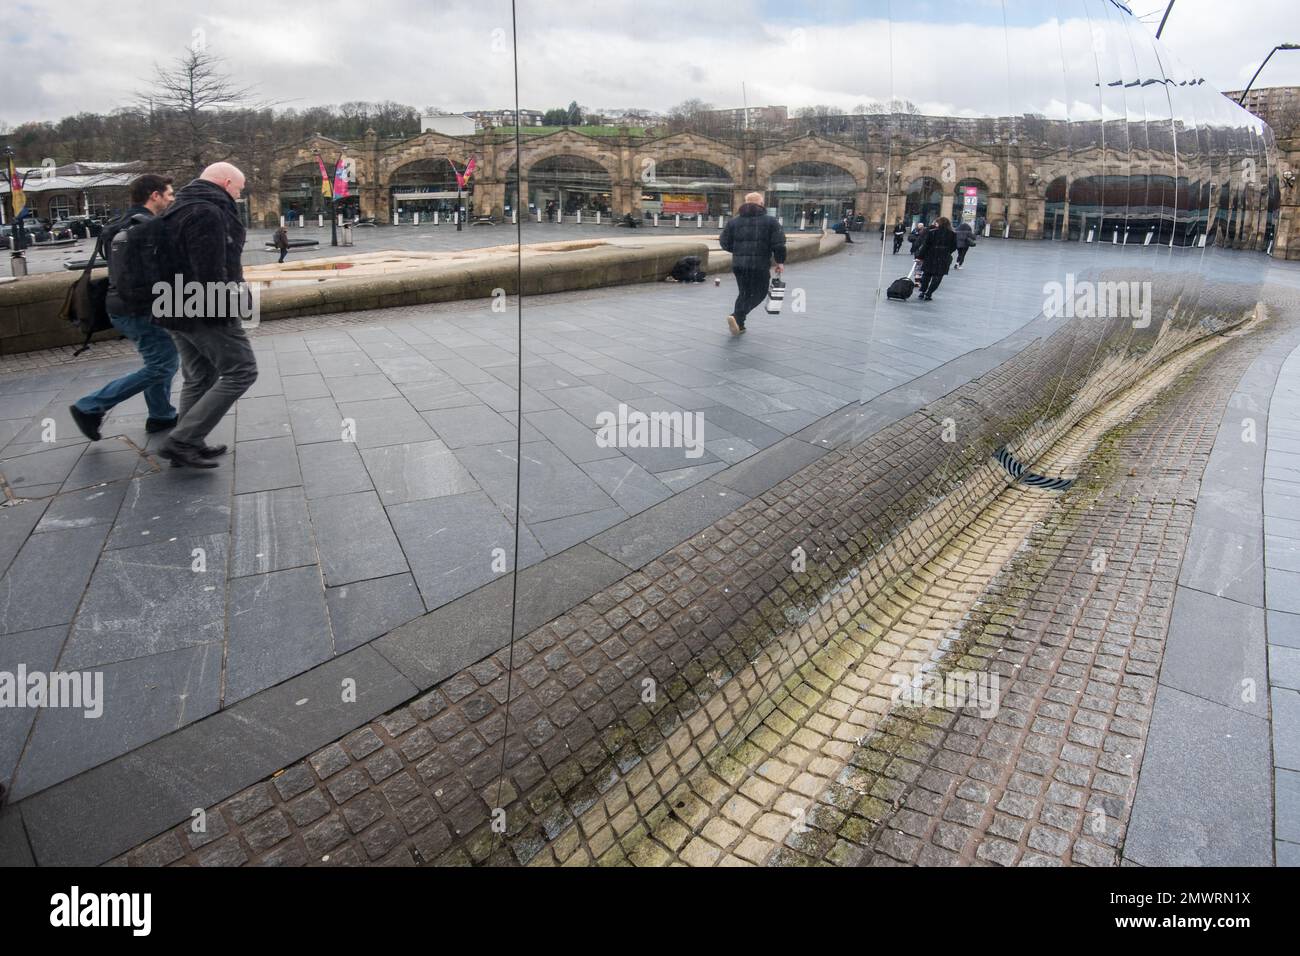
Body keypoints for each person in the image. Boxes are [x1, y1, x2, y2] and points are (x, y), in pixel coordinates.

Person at [155, 162, 258, 469]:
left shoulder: (176, 207)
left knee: (199, 376)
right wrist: (224, 311)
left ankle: (189, 443)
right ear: (226, 182)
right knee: (242, 371)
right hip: (201, 307)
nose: (239, 195)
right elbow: (210, 269)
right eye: (239, 188)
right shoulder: (207, 212)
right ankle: (182, 441)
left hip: (171, 304)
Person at [69, 174, 179, 442]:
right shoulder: (149, 227)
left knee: (159, 359)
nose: (172, 199)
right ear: (154, 196)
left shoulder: (117, 225)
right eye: (169, 194)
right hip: (140, 309)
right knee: (163, 364)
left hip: (118, 306)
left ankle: (161, 415)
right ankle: (90, 406)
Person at [718, 191, 786, 335]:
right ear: (761, 204)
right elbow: (779, 244)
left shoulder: (734, 222)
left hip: (739, 265)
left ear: (745, 203)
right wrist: (780, 262)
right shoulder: (770, 221)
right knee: (760, 293)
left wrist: (738, 251)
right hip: (759, 264)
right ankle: (737, 316)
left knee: (744, 293)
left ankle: (739, 325)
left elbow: (724, 242)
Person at [914, 217, 958, 301]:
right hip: (944, 257)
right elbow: (954, 247)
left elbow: (926, 246)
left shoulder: (932, 232)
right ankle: (929, 293)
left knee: (927, 274)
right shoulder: (952, 234)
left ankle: (922, 292)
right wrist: (947, 252)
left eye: (937, 223)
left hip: (931, 255)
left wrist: (920, 256)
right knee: (938, 276)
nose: (935, 224)